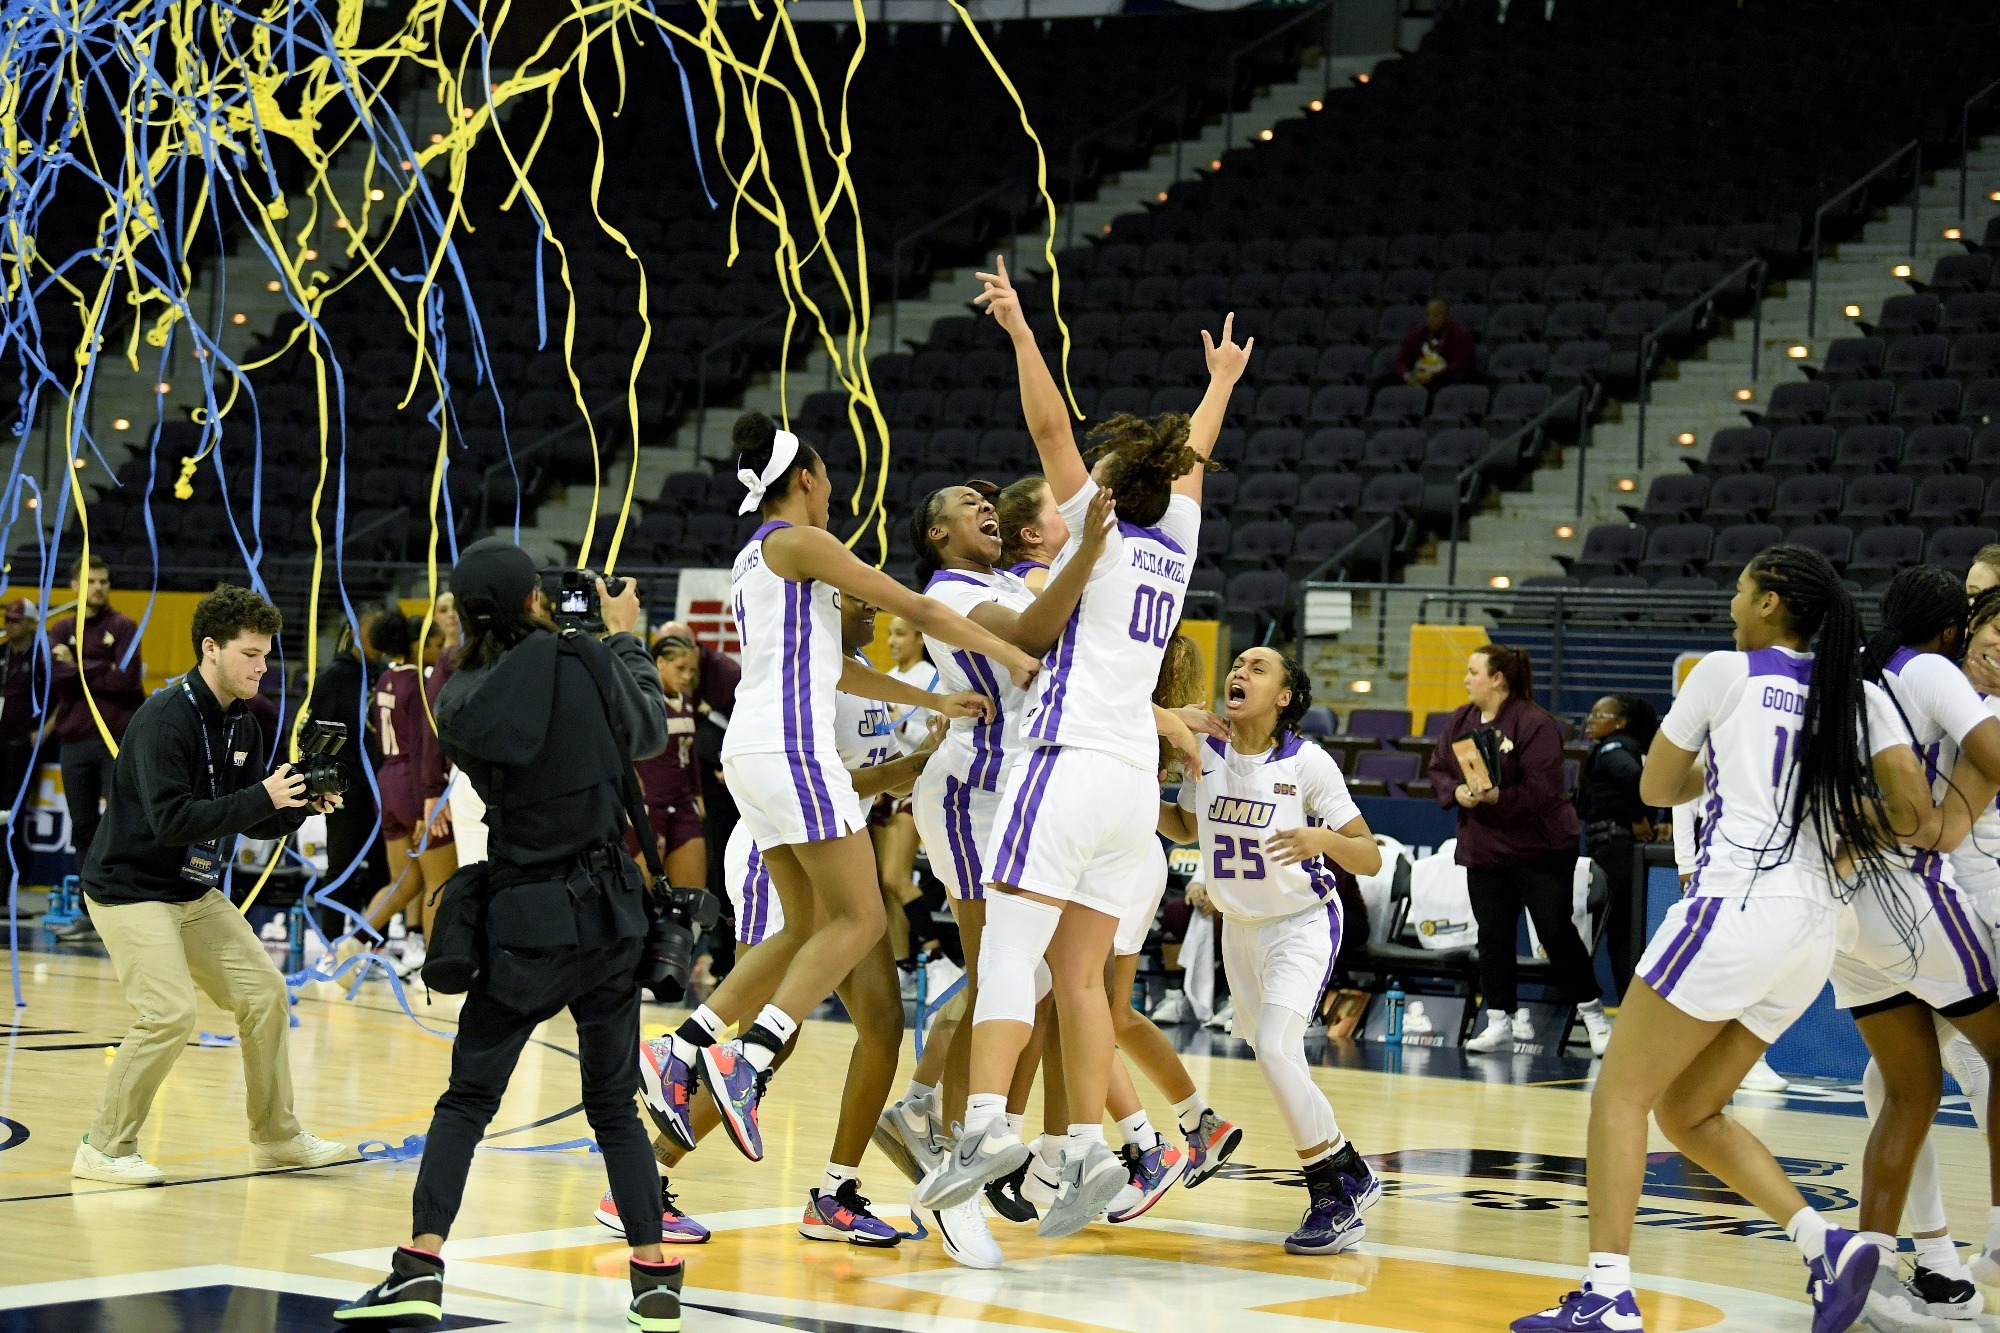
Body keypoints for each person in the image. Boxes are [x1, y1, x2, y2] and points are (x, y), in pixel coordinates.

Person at [914, 256, 1249, 1240]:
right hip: (1126, 795)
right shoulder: (1177, 540)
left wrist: (1021, 333)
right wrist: (1220, 383)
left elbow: (1050, 425)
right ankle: (1098, 1153)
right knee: (1080, 977)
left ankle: (983, 1128)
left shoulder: (1088, 530)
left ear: (1107, 486)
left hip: (1058, 765)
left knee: (1010, 956)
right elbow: (1190, 457)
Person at [638, 409, 1040, 1174]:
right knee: (860, 916)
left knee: (803, 928)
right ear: (807, 481)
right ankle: (745, 1057)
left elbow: (837, 665)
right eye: (827, 484)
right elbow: (919, 607)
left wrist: (932, 702)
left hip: (755, 751)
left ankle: (684, 1044)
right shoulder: (800, 541)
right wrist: (1007, 651)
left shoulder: (755, 558)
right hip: (794, 748)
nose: (832, 498)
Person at [1512, 545, 1899, 1333]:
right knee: (1689, 1109)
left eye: (1741, 582)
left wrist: (1714, 773)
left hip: (1737, 905)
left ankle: (1609, 1293)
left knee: (1620, 1094)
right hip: (1811, 929)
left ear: (1770, 602)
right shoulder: (1848, 696)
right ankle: (1822, 1241)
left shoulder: (1723, 674)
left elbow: (1655, 787)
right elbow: (1885, 808)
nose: (1731, 594)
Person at [337, 539, 684, 1331]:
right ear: (537, 599)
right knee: (614, 1110)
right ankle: (654, 1276)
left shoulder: (457, 696)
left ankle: (420, 1264)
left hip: (523, 919)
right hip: (607, 916)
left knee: (466, 1100)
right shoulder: (586, 658)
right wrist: (623, 635)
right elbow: (647, 734)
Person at [624, 595, 953, 1252]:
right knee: (768, 1042)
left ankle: (836, 1191)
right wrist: (916, 767)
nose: (876, 613)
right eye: (864, 602)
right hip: (785, 851)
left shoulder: (857, 669)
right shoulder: (806, 673)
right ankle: (641, 1183)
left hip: (840, 847)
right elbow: (840, 779)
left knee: (883, 1023)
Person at [70, 584, 347, 1186]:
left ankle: (276, 1139)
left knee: (266, 996)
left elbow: (245, 814)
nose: (262, 666)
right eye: (250, 654)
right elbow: (173, 822)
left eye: (266, 654)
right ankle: (103, 1147)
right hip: (129, 887)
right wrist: (261, 796)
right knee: (169, 1012)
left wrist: (298, 804)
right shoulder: (164, 719)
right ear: (210, 649)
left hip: (191, 891)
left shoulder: (241, 723)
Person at [1158, 646, 1383, 1254]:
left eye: (1259, 669)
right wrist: (1140, 798)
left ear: (1285, 697)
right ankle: (1351, 1171)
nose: (1240, 673)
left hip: (1301, 923)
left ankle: (1332, 1194)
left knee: (1280, 1051)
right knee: (1271, 1057)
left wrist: (1320, 837)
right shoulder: (1204, 751)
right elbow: (1185, 827)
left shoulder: (1308, 764)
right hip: (1239, 929)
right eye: (1238, 665)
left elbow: (1369, 854)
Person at [1829, 565, 2000, 1327]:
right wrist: (1944, 821)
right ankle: (1994, 1238)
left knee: (1904, 1089)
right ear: (1949, 628)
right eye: (1969, 618)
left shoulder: (1861, 681)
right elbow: (1986, 758)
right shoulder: (1931, 669)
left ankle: (1889, 1271)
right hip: (1916, 893)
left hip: (1845, 909)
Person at [1885, 587, 2000, 1318]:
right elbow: (1946, 831)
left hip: (1982, 912)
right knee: (1891, 1081)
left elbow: (1945, 828)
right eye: (1994, 627)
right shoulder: (1955, 702)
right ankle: (1938, 1255)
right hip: (1968, 913)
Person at [1427, 644, 1609, 1055]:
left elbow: (1543, 794)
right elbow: (1437, 768)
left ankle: (1594, 1015)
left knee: (1555, 932)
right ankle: (1499, 1021)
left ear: (1497, 679)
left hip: (1540, 848)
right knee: (1492, 936)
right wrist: (1458, 791)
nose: (1466, 679)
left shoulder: (1535, 724)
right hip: (1486, 849)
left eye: (1474, 672)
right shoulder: (1462, 719)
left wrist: (1496, 798)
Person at [357, 612, 457, 959]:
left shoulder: (385, 677)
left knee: (403, 884)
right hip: (412, 785)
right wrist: (424, 803)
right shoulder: (420, 683)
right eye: (436, 644)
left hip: (386, 781)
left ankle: (352, 947)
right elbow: (421, 749)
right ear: (417, 645)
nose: (442, 651)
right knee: (438, 884)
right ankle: (433, 968)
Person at [49, 554, 145, 908]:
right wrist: (99, 667)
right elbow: (55, 676)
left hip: (114, 740)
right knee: (84, 827)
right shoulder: (60, 629)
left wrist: (76, 665)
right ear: (75, 586)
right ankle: (89, 906)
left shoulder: (124, 626)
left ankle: (123, 900)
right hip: (74, 742)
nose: (99, 587)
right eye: (91, 581)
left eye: (104, 581)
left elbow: (126, 679)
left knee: (123, 822)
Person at [306, 613, 389, 931]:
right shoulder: (332, 677)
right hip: (345, 789)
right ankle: (330, 945)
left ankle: (373, 945)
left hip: (382, 790)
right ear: (354, 632)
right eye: (372, 630)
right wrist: (325, 784)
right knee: (341, 869)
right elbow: (316, 737)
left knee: (382, 871)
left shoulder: (387, 674)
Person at [1574, 695, 1659, 1002]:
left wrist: (1639, 818)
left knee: (1583, 935)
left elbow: (1637, 779)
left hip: (1614, 853)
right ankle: (1629, 1012)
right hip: (1621, 853)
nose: (1590, 721)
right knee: (1623, 940)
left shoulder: (1614, 749)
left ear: (1621, 722)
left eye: (1600, 715)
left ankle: (1561, 1010)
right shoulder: (1627, 748)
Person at [878, 615, 936, 967]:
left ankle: (936, 953)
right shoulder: (887, 679)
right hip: (884, 788)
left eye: (900, 633)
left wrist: (898, 718)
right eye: (889, 634)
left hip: (915, 786)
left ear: (920, 638)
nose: (891, 641)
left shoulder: (932, 678)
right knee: (885, 887)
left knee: (895, 877)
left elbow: (936, 740)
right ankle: (902, 963)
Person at [0, 598, 47, 874]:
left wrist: (42, 734)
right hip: (0, 739)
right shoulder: (3, 652)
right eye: (7, 619)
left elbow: (60, 699)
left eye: (16, 620)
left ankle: (6, 888)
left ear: (31, 623)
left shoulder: (42, 658)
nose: (9, 625)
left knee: (12, 814)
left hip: (21, 745)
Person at [1394, 298, 1475, 389]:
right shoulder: (1417, 334)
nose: (1431, 319)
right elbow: (1400, 361)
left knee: (1460, 378)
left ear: (1447, 316)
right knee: (1385, 380)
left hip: (1443, 376)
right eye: (1428, 315)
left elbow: (1462, 363)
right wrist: (1407, 376)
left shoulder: (1460, 335)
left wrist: (1433, 375)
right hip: (1419, 374)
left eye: (1436, 315)